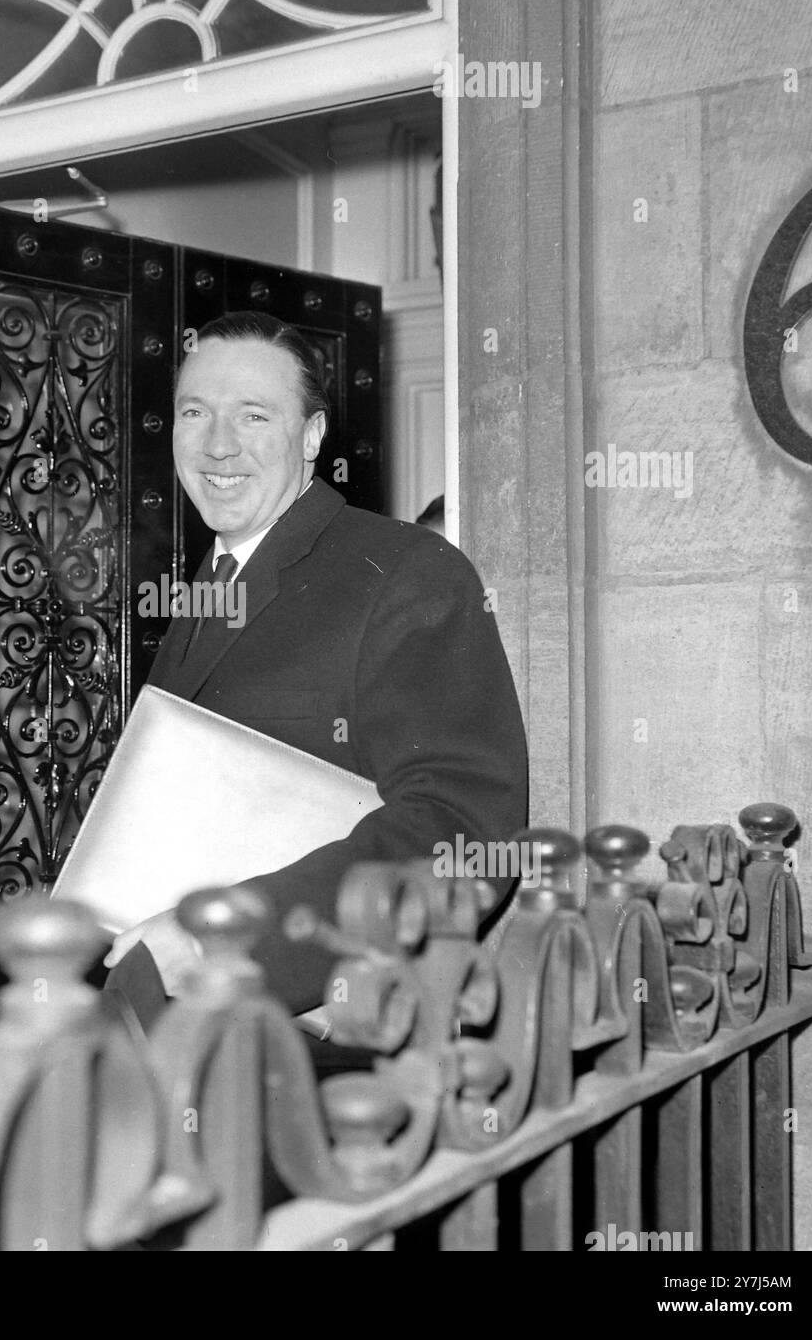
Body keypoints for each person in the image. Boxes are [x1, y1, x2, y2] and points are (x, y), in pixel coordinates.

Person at [104, 312, 528, 1015]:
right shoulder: (209, 582)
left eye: (253, 417)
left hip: (316, 1048)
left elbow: (462, 832)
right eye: (195, 412)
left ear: (310, 437)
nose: (217, 444)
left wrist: (229, 938)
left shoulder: (407, 571)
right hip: (173, 1024)